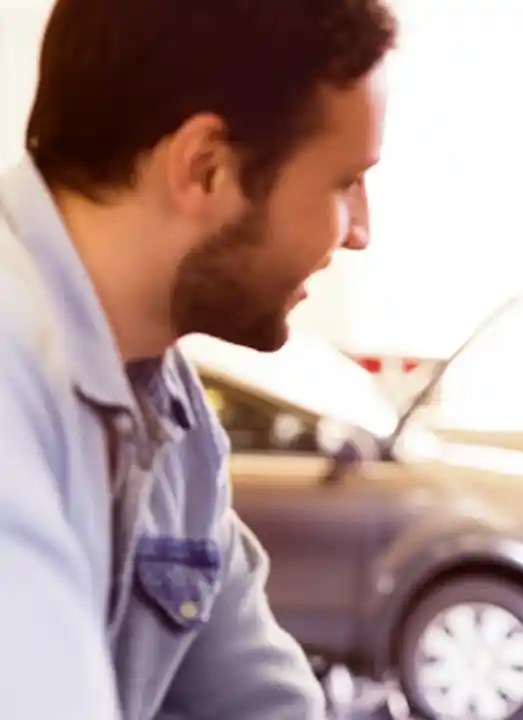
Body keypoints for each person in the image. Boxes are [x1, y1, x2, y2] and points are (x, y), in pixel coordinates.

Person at [0, 1, 396, 718]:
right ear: (206, 168)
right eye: (344, 183)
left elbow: (263, 705)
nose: (360, 232)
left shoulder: (171, 417)